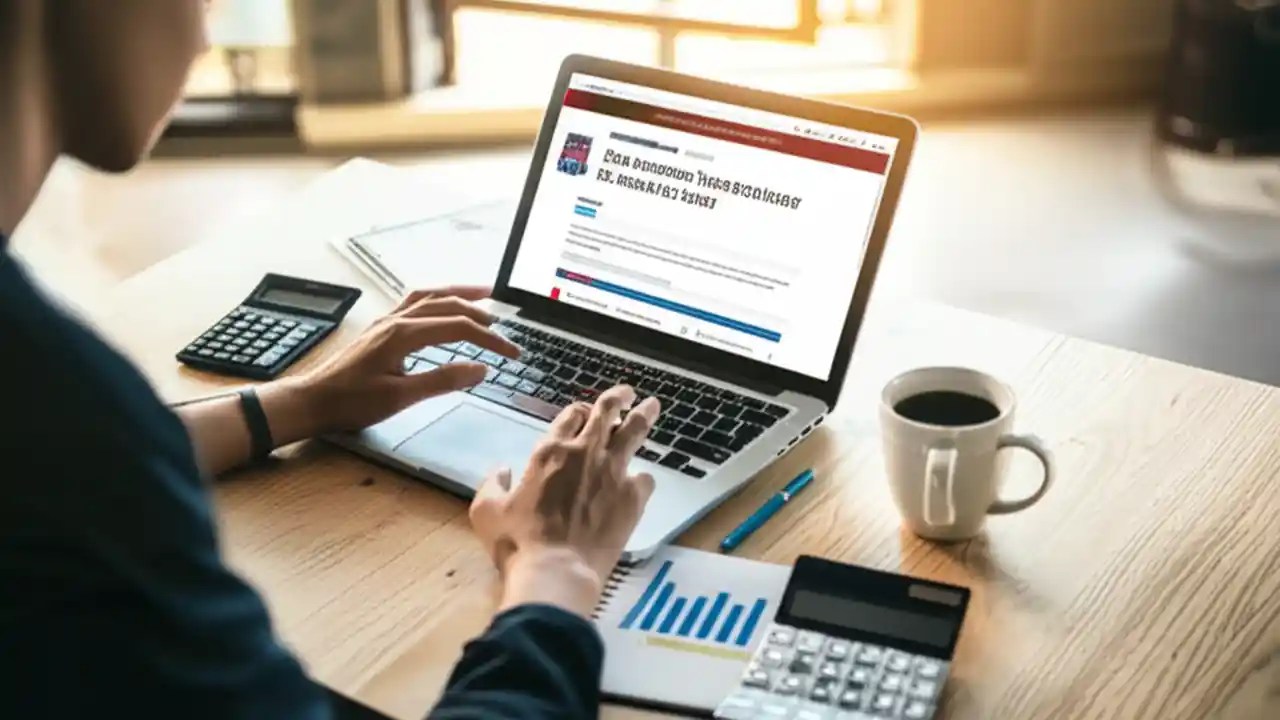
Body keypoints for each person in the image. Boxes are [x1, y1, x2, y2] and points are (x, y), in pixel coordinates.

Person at [0, 2, 658, 718]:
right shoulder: (62, 415)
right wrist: (556, 575)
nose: (202, 35)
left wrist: (298, 403)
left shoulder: (52, 405)